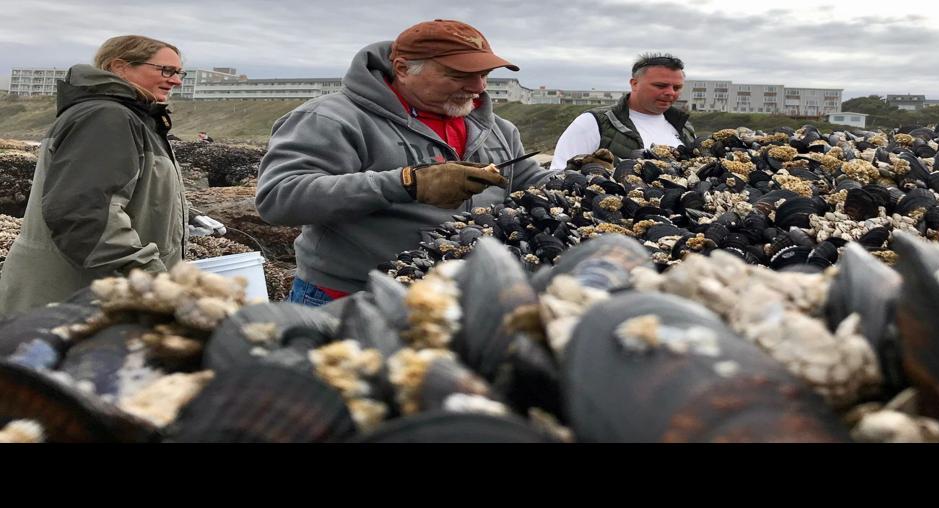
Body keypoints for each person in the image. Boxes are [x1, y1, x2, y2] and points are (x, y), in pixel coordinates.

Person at [255, 19, 562, 305]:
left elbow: (527, 181)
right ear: (402, 69)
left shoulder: (498, 128)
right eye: (459, 75)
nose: (478, 87)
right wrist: (407, 183)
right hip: (352, 296)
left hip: (460, 299)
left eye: (484, 75)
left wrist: (585, 177)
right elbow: (279, 197)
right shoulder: (331, 119)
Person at [0, 35, 190, 315]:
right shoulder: (105, 117)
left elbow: (131, 191)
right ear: (119, 67)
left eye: (179, 72)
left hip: (96, 299)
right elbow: (84, 214)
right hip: (70, 302)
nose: (176, 81)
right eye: (166, 70)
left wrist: (183, 214)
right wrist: (152, 276)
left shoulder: (133, 118)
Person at [550, 53, 697, 171]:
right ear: (634, 84)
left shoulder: (685, 128)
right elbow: (557, 174)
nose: (670, 92)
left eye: (677, 88)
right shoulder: (593, 122)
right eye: (660, 85)